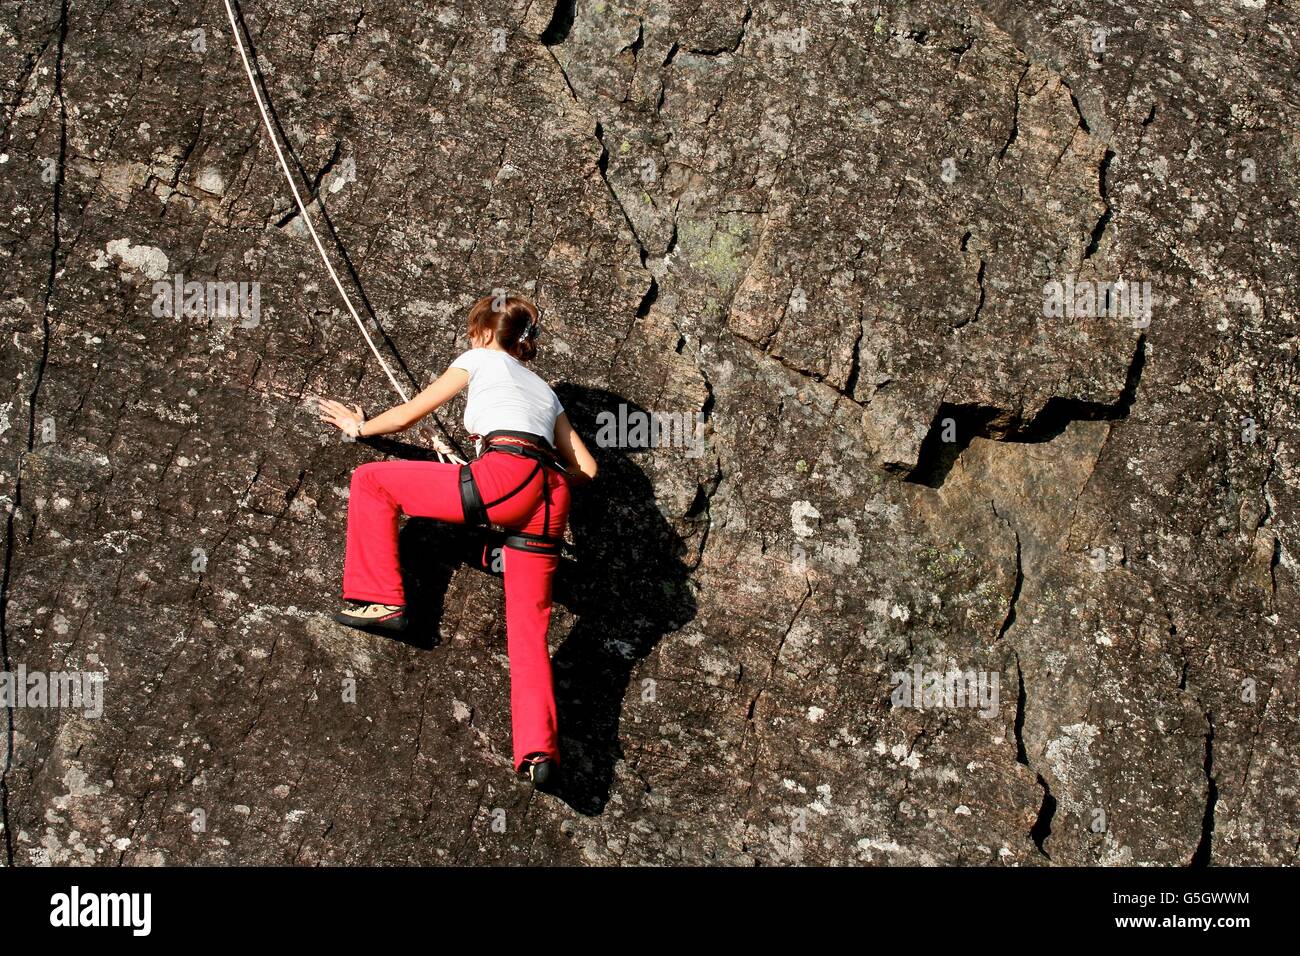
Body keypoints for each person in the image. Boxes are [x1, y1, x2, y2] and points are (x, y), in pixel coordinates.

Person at [316, 294, 598, 785]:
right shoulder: (546, 392)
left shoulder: (477, 359)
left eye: (474, 329)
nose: (470, 337)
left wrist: (359, 427)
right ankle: (538, 754)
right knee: (528, 635)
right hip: (552, 494)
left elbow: (409, 415)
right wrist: (533, 480)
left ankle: (378, 601)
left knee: (370, 482)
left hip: (504, 476)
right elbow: (587, 469)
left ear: (487, 332)